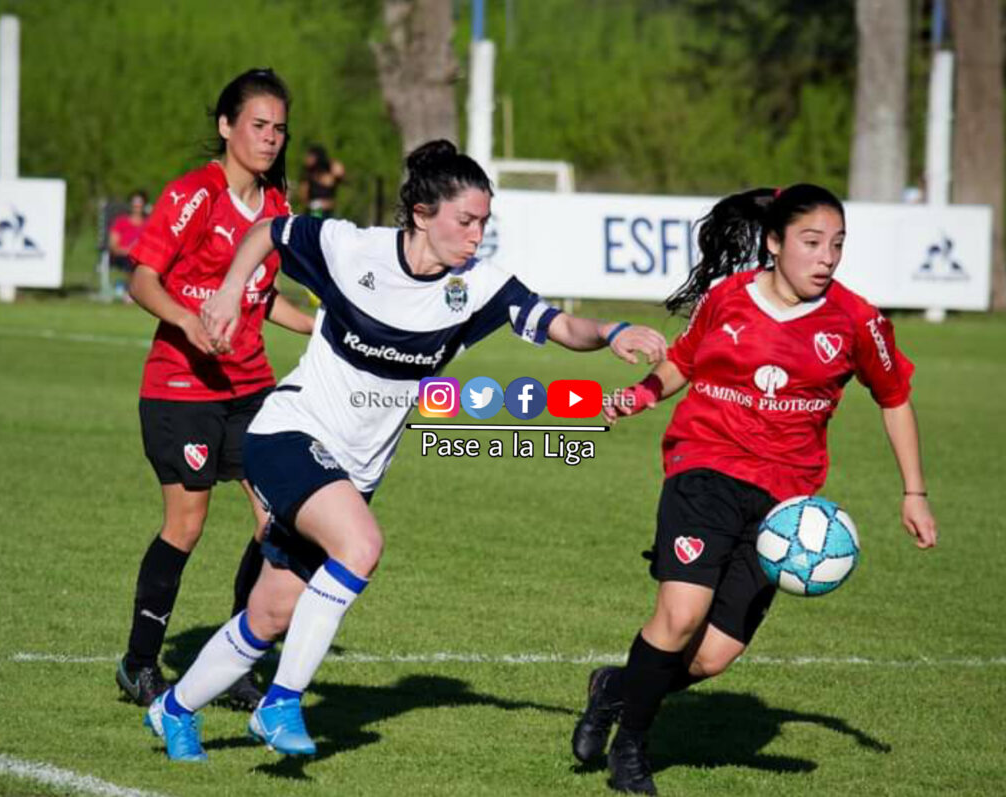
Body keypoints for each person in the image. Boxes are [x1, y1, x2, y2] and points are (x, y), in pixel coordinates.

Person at [140, 139, 669, 761]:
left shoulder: (478, 287)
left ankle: (171, 710)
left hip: (354, 470)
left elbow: (560, 326)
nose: (476, 236)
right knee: (361, 545)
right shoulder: (351, 249)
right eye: (465, 221)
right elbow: (268, 231)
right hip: (289, 433)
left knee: (271, 613)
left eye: (483, 224)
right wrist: (231, 292)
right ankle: (280, 703)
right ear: (422, 213)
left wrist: (610, 332)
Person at [570, 184, 939, 795]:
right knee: (681, 614)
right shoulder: (728, 297)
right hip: (705, 466)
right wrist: (641, 394)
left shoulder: (857, 320)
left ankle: (616, 687)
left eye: (838, 245)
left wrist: (914, 492)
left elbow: (894, 397)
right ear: (774, 242)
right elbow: (685, 360)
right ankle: (631, 747)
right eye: (812, 242)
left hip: (785, 503)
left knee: (713, 656)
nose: (827, 257)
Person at [116, 68, 314, 713]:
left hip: (252, 389)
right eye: (258, 126)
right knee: (188, 523)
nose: (270, 139)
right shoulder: (194, 195)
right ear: (227, 126)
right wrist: (186, 320)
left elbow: (263, 298)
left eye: (279, 129)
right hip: (181, 388)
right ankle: (140, 664)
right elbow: (142, 281)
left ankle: (234, 662)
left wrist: (320, 328)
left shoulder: (276, 209)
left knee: (275, 524)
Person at [108, 190, 149, 299]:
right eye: (134, 204)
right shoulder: (120, 222)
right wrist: (128, 250)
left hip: (144, 256)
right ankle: (131, 291)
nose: (137, 207)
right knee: (131, 260)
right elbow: (113, 245)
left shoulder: (149, 223)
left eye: (139, 204)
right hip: (124, 256)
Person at [297, 143, 344, 219]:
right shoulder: (307, 174)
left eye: (310, 156)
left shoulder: (329, 171)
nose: (307, 159)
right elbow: (303, 195)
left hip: (328, 210)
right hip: (314, 209)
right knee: (315, 221)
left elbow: (340, 172)